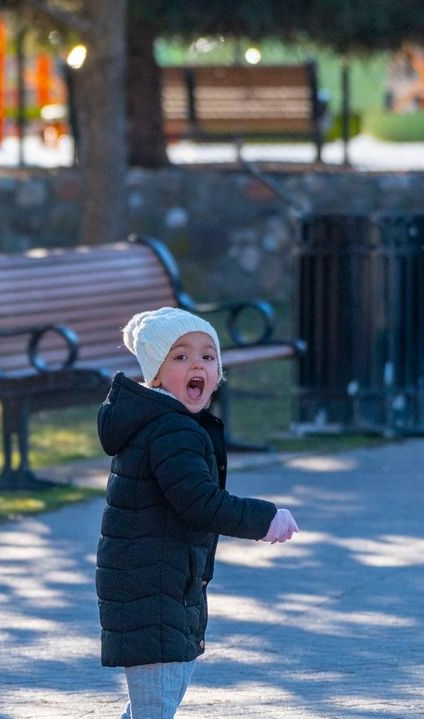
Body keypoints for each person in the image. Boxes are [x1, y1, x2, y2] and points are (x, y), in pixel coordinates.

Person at [95, 307, 300, 719]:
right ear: (155, 374)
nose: (198, 365)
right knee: (155, 705)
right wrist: (264, 519)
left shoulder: (165, 424)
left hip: (163, 580)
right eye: (181, 356)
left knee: (154, 703)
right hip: (152, 587)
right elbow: (199, 501)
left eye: (208, 357)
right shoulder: (171, 430)